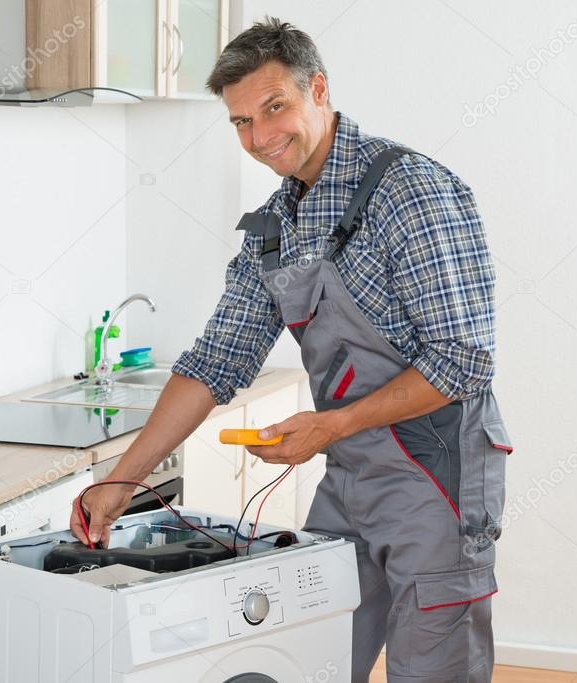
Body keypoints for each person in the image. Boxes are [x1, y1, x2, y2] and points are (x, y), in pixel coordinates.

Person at [70, 17, 512, 683]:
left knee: (432, 670)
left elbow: (463, 359)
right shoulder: (275, 226)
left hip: (439, 478)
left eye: (273, 107)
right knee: (314, 661)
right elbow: (214, 362)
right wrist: (121, 480)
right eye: (241, 122)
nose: (259, 136)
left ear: (318, 91)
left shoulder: (409, 191)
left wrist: (329, 425)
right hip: (351, 480)